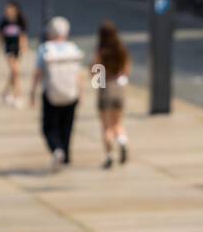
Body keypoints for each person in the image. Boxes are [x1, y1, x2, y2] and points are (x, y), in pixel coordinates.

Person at [30, 17, 83, 170]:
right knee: (67, 126)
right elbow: (79, 74)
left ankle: (56, 149)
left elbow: (37, 73)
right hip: (71, 94)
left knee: (49, 126)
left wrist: (32, 93)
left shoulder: (45, 49)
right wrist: (81, 93)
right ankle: (66, 155)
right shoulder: (72, 48)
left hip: (51, 94)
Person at [92, 21, 131, 169]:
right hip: (119, 86)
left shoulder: (101, 52)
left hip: (106, 86)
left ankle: (109, 156)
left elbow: (96, 71)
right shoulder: (122, 50)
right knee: (118, 123)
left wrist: (98, 84)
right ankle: (122, 140)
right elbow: (126, 70)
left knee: (106, 126)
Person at [0, 1, 28, 107]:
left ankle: (5, 92)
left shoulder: (19, 21)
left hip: (17, 49)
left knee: (14, 73)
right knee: (15, 71)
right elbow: (0, 36)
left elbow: (23, 35)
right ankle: (18, 95)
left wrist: (24, 47)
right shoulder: (3, 22)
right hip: (8, 48)